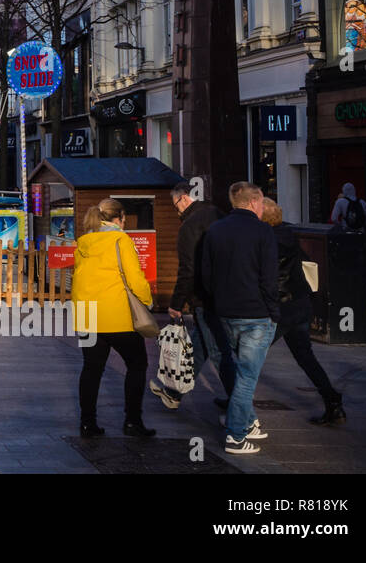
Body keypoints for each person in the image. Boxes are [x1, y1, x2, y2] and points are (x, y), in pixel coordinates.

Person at [201, 181, 279, 454]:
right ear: (254, 202)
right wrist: (274, 311)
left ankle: (247, 423)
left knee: (240, 369)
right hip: (256, 314)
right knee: (248, 376)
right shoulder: (263, 232)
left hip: (226, 313)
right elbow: (270, 278)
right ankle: (235, 435)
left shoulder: (215, 231)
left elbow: (207, 276)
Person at [71, 198, 157, 439]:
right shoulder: (121, 239)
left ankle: (87, 423)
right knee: (137, 364)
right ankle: (132, 421)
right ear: (120, 218)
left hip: (88, 315)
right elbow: (135, 277)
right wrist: (147, 302)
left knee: (91, 369)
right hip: (117, 315)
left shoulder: (83, 242)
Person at [260, 198, 345, 426]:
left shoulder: (269, 241)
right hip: (300, 304)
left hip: (282, 309)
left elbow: (271, 279)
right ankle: (332, 401)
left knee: (250, 355)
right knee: (305, 357)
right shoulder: (289, 234)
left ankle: (236, 406)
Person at [151, 182, 235, 411]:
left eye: (175, 204)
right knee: (200, 346)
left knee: (218, 351)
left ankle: (241, 408)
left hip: (204, 298)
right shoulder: (219, 214)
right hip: (229, 294)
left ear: (184, 199)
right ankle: (173, 392)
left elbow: (187, 269)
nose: (175, 210)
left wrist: (176, 304)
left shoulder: (190, 225)